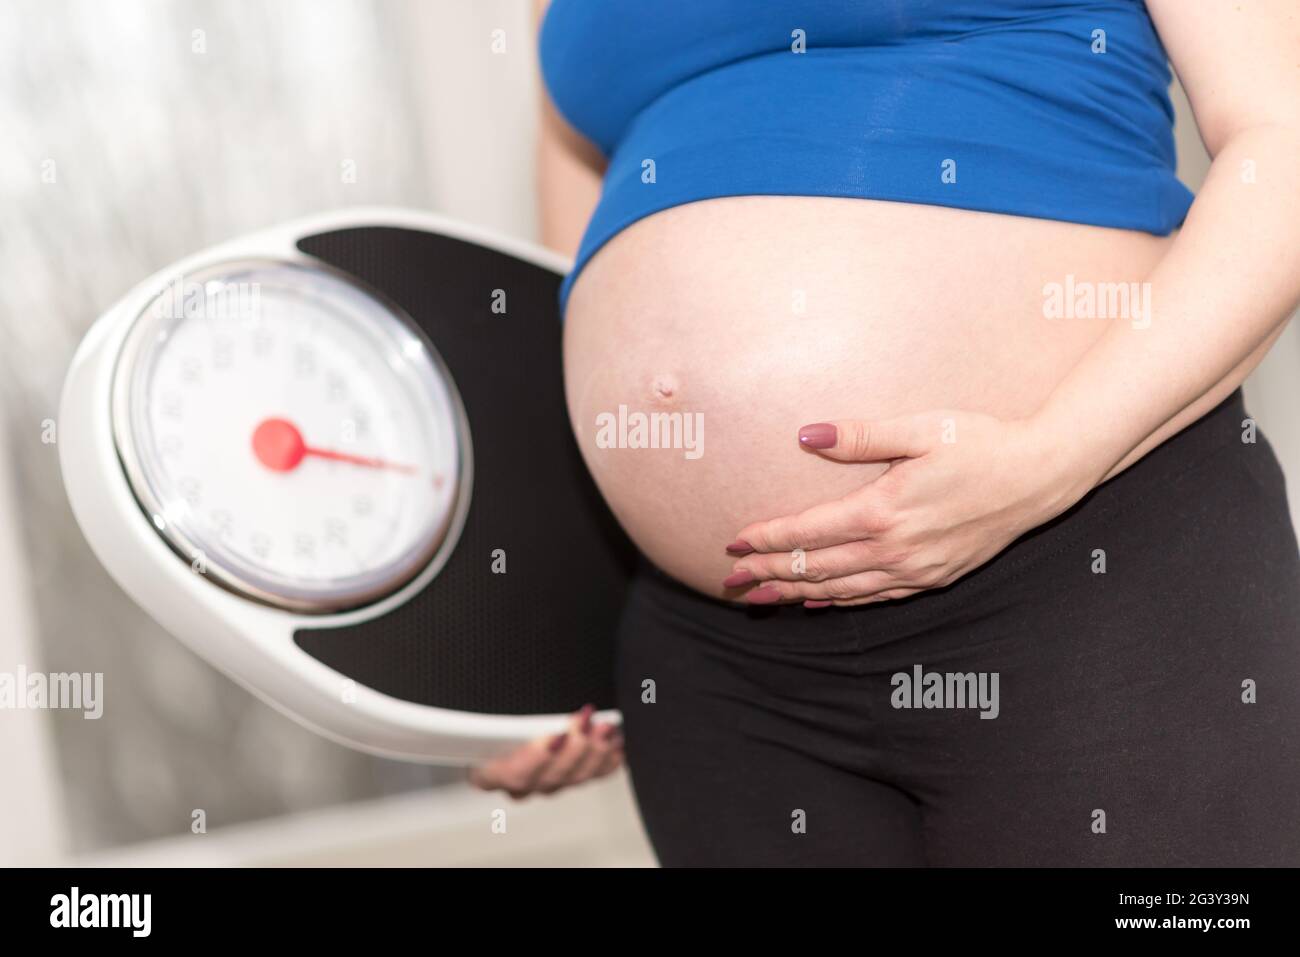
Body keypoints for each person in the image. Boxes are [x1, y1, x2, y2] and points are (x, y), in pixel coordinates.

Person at [472, 0, 1300, 866]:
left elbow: (1280, 142)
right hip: (716, 661)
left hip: (1081, 565)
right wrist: (552, 662)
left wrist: (1050, 457)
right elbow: (561, 276)